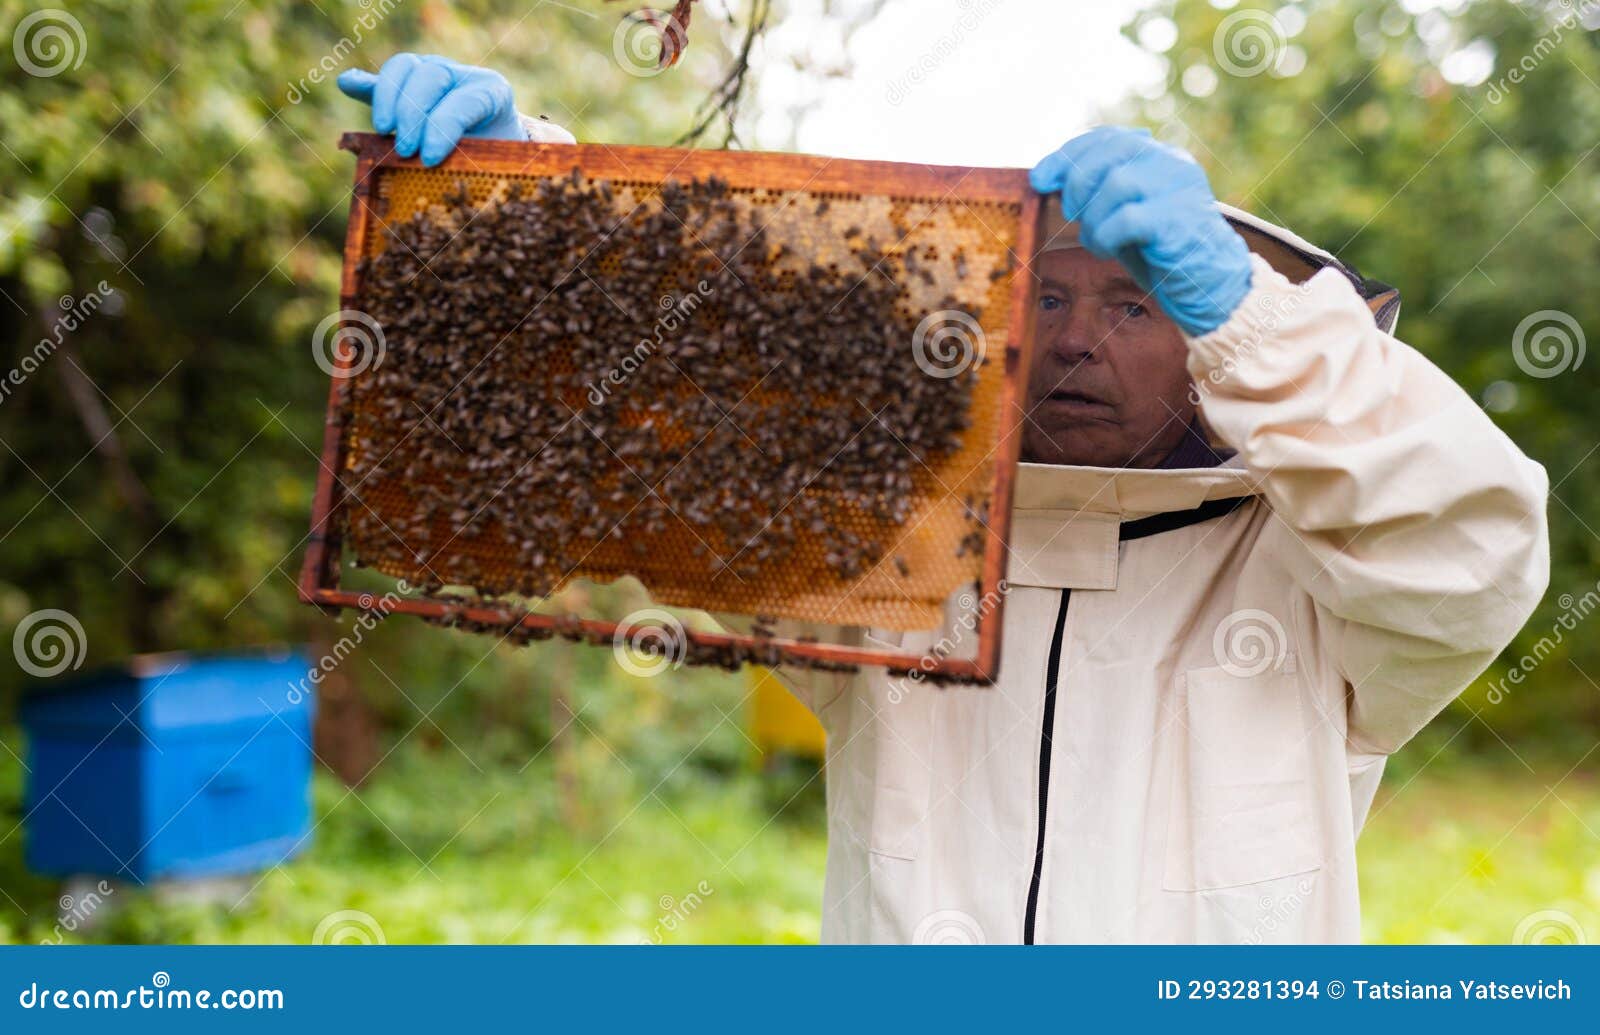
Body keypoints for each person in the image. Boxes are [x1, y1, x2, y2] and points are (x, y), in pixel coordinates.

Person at [340, 56, 1551, 944]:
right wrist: (522, 189)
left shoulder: (1319, 580)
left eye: (1135, 304)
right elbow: (653, 428)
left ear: (1203, 333)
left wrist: (1251, 319)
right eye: (1048, 298)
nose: (1075, 341)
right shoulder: (882, 540)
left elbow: (1466, 544)